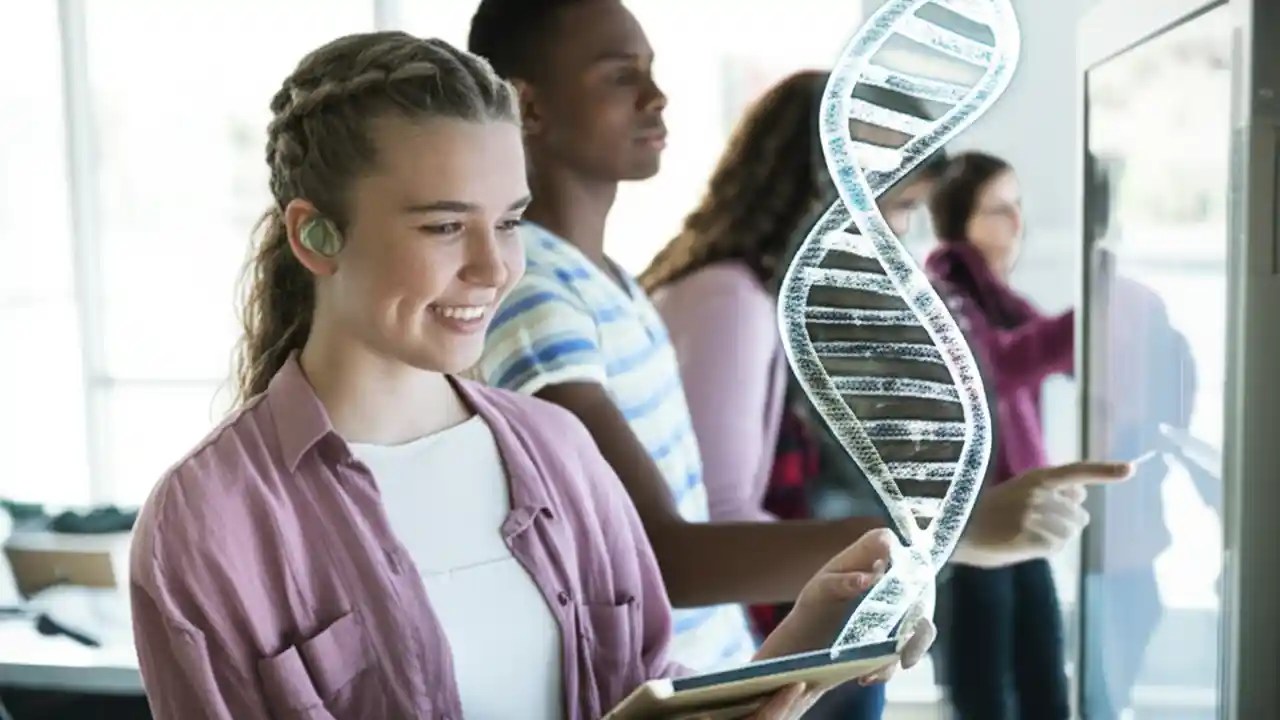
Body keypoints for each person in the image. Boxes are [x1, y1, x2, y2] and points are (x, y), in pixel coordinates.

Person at [126, 31, 928, 720]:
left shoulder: (561, 453)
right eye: (444, 226)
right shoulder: (205, 525)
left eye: (508, 221)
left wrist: (817, 628)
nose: (494, 267)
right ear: (318, 235)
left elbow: (650, 694)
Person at [469, 0, 1129, 677]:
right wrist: (944, 536)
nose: (657, 97)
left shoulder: (607, 283)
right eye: (618, 76)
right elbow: (660, 552)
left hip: (707, 667)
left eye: (652, 70)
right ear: (529, 108)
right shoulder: (543, 295)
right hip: (667, 685)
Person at [921, 151, 1076, 719]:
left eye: (1018, 207)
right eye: (998, 210)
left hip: (1020, 511)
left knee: (1043, 685)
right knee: (987, 695)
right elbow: (995, 368)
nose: (1016, 224)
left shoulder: (1002, 300)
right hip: (976, 518)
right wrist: (1089, 319)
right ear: (960, 220)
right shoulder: (943, 293)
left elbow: (1051, 354)